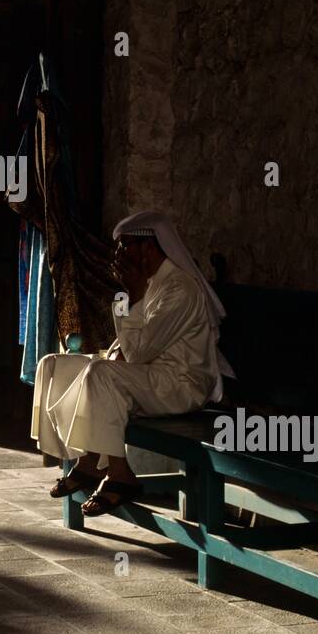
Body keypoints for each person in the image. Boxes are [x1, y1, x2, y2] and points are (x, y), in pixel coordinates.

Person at [31, 210, 233, 517]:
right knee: (54, 365)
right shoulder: (147, 282)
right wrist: (130, 294)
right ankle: (87, 462)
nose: (119, 254)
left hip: (179, 385)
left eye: (125, 245)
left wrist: (134, 293)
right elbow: (129, 344)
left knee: (101, 374)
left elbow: (138, 352)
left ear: (148, 247)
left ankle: (119, 474)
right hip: (149, 376)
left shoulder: (181, 289)